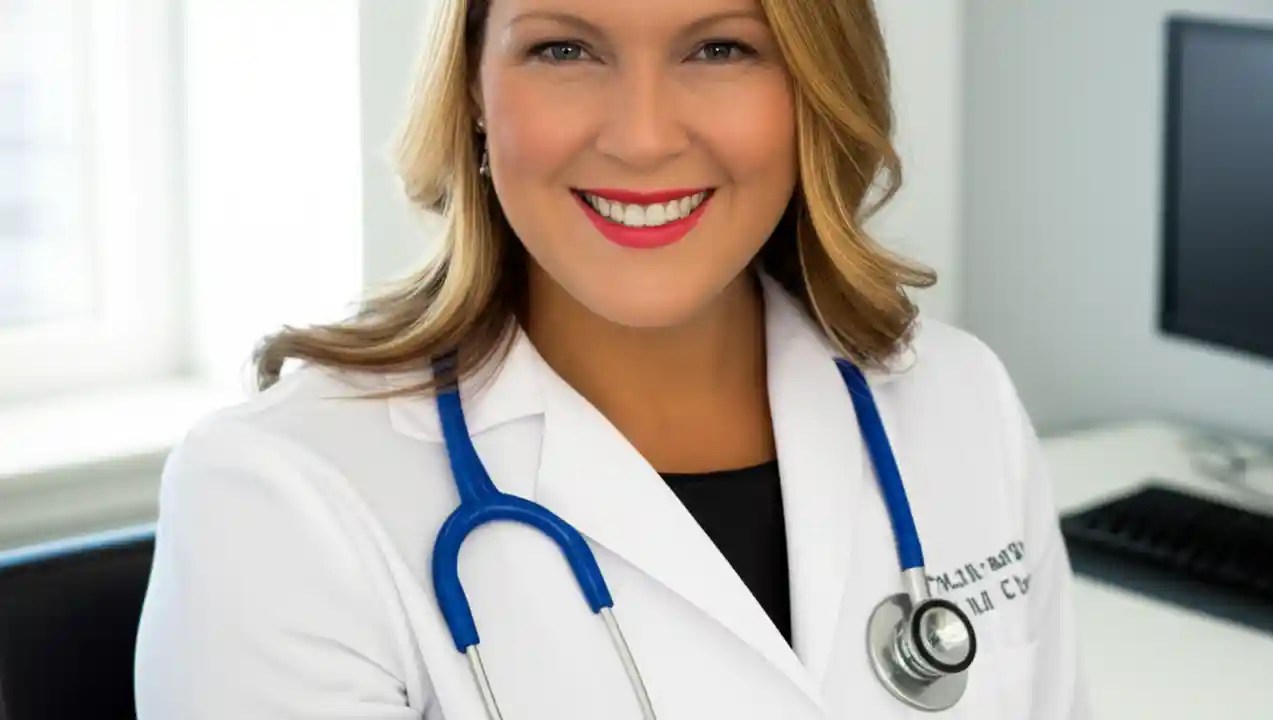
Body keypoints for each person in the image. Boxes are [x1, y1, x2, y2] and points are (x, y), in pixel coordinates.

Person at [134, 0, 1090, 717]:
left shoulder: (958, 400)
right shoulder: (277, 496)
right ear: (472, 87)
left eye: (720, 47)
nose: (641, 137)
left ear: (813, 83)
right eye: (564, 48)